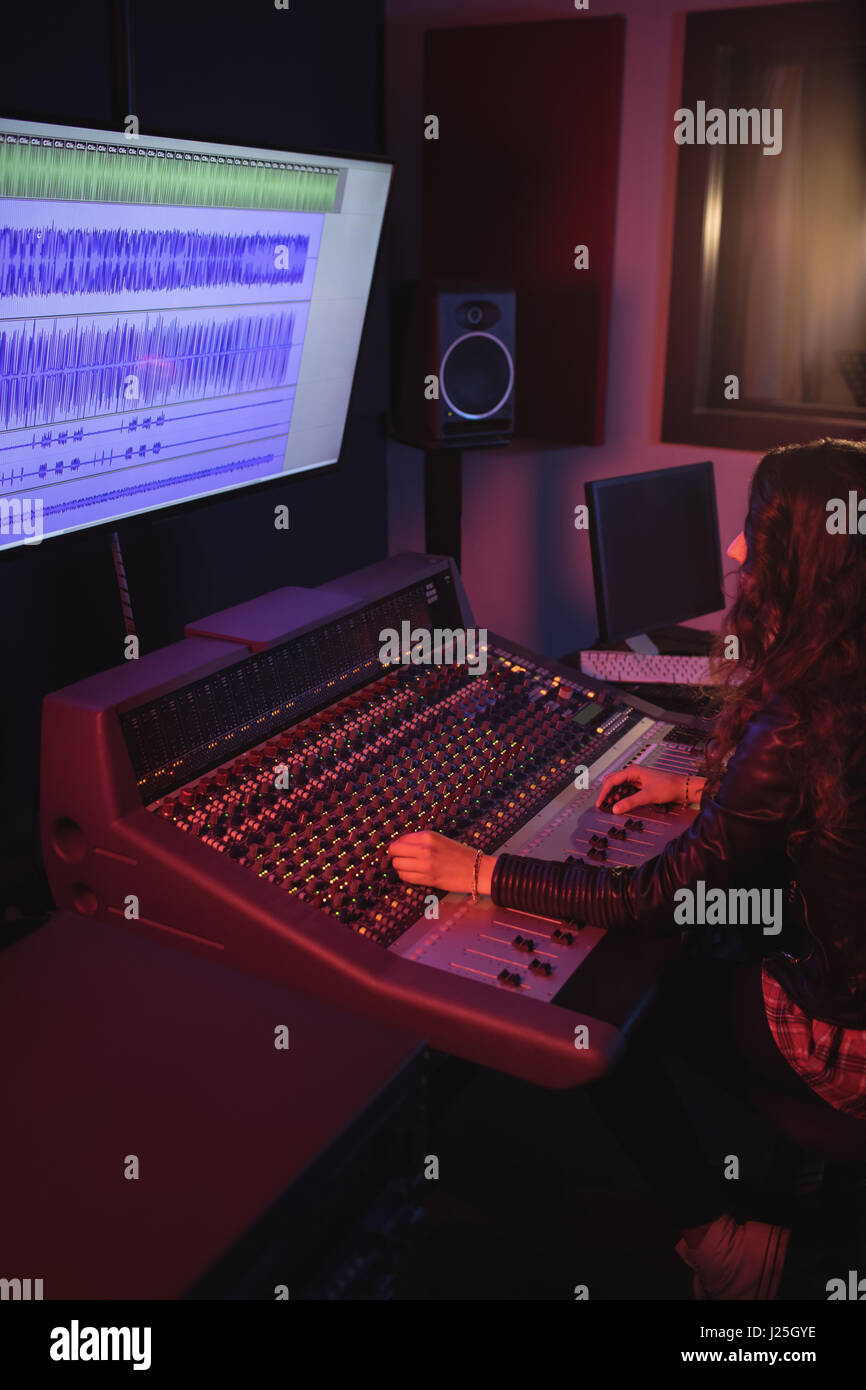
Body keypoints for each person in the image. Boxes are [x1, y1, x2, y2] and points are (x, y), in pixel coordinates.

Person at [388, 438, 866, 1300]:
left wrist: (482, 872)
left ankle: (719, 1242)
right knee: (723, 931)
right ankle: (797, 1186)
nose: (734, 551)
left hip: (848, 1043)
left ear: (807, 560)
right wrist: (696, 792)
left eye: (757, 531)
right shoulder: (845, 680)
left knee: (606, 1013)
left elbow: (657, 895)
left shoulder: (798, 713)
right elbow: (823, 803)